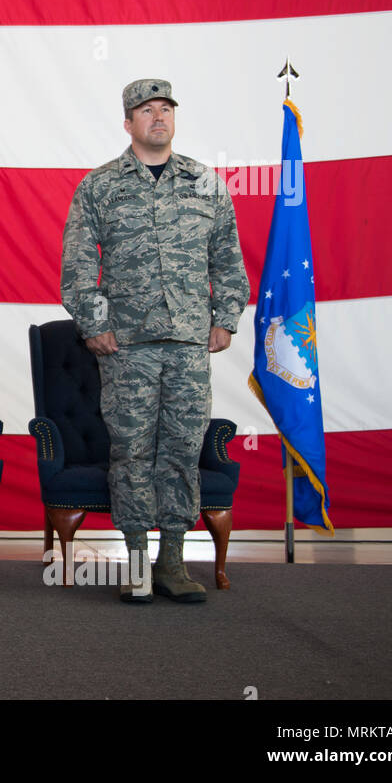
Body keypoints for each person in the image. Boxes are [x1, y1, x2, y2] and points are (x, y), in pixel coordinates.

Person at [60, 79, 248, 604]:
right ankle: (138, 563)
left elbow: (228, 259)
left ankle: (172, 563)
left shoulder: (205, 183)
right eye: (147, 110)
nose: (158, 117)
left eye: (166, 109)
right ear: (128, 123)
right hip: (128, 348)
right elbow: (78, 264)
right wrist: (95, 324)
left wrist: (226, 317)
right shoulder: (100, 186)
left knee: (182, 450)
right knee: (132, 452)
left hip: (189, 343)